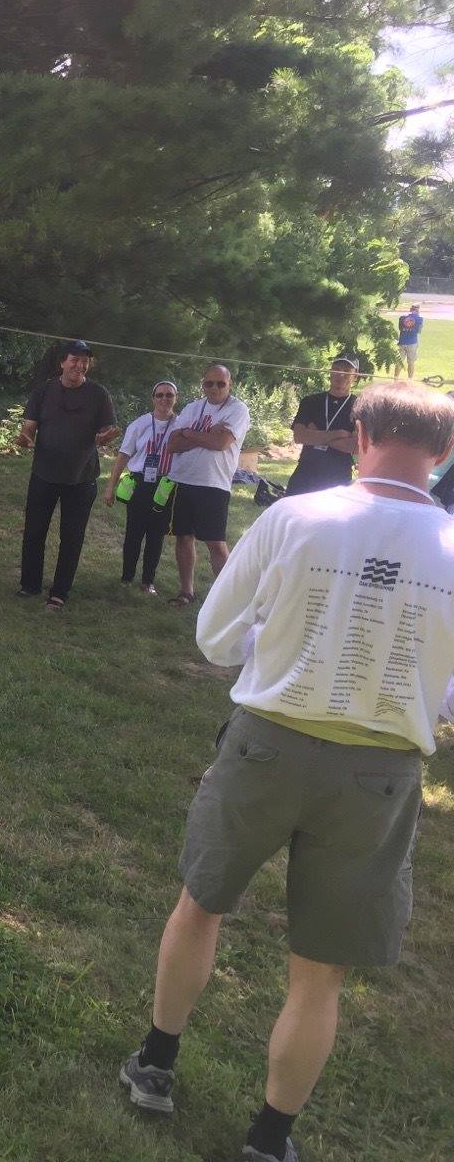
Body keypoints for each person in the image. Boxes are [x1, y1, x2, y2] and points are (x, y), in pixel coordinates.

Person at [119, 380, 454, 1162]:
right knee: (321, 971)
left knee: (201, 905)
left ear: (359, 434)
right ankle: (271, 1138)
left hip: (268, 742)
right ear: (442, 455)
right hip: (380, 772)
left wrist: (272, 645)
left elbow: (214, 636)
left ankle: (156, 1064)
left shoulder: (296, 516)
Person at [15, 341, 118, 609]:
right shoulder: (44, 391)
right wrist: (25, 438)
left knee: (72, 537)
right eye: (74, 359)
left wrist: (106, 436)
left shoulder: (98, 394)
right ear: (62, 362)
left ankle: (60, 592)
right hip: (44, 474)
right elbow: (29, 428)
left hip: (81, 478)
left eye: (84, 361)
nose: (79, 365)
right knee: (34, 531)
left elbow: (106, 431)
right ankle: (30, 585)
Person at [166, 364, 251, 607]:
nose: (214, 388)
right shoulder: (194, 407)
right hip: (183, 479)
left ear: (230, 384)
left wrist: (189, 434)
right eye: (208, 383)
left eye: (220, 383)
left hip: (213, 483)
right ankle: (186, 591)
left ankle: (227, 599)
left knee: (215, 542)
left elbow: (221, 442)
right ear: (202, 384)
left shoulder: (237, 409)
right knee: (183, 537)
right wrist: (204, 435)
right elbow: (172, 444)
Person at [103, 381, 179, 594]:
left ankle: (148, 581)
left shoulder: (182, 426)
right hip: (140, 483)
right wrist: (111, 486)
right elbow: (123, 456)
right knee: (134, 532)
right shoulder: (139, 424)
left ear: (176, 398)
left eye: (169, 395)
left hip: (165, 485)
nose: (164, 399)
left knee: (156, 535)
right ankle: (127, 577)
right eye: (160, 395)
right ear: (153, 398)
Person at [284, 356, 358, 496]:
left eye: (347, 371)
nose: (340, 375)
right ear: (330, 372)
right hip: (306, 473)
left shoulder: (360, 406)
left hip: (338, 477)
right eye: (336, 369)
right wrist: (339, 434)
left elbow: (355, 447)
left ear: (355, 376)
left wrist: (315, 435)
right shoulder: (310, 401)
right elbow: (300, 436)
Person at [396, 303, 422, 378]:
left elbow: (400, 329)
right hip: (412, 342)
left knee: (399, 361)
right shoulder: (419, 319)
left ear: (411, 309)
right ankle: (410, 379)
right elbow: (419, 331)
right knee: (411, 362)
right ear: (417, 310)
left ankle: (395, 378)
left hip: (402, 341)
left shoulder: (402, 318)